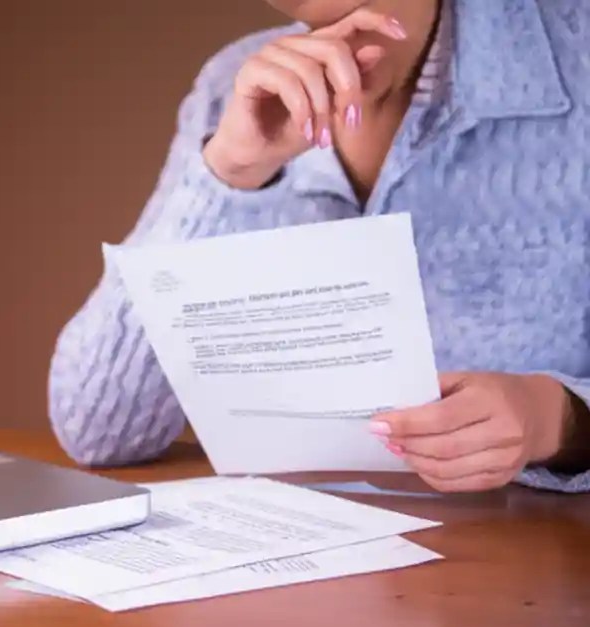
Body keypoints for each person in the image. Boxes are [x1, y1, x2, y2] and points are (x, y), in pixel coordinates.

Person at [48, 0, 590, 493]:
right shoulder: (233, 84)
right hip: (286, 564)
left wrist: (556, 419)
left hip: (529, 571)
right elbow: (100, 427)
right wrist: (230, 169)